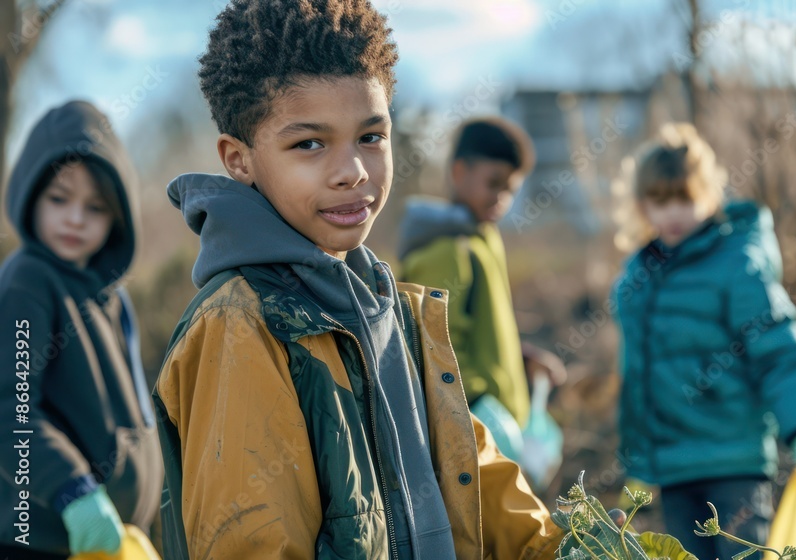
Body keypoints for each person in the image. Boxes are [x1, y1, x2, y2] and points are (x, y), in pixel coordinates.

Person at [153, 2, 561, 558]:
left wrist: (562, 549)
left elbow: (471, 475)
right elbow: (252, 541)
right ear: (239, 159)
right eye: (310, 144)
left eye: (371, 136)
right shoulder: (240, 325)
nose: (354, 171)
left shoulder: (391, 307)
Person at [612, 123, 796, 559]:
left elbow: (779, 348)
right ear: (641, 206)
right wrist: (638, 462)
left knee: (744, 553)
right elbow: (637, 376)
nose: (673, 213)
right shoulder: (641, 278)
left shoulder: (737, 265)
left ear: (710, 195)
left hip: (735, 459)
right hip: (673, 467)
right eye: (660, 201)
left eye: (685, 199)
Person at [0, 101, 162, 559]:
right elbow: (8, 406)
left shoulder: (111, 295)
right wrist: (72, 492)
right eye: (59, 198)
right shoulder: (28, 281)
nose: (75, 218)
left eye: (95, 207)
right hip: (41, 543)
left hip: (115, 543)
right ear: (30, 196)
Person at [397, 117, 566, 438]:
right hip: (473, 436)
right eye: (493, 183)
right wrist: (482, 411)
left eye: (510, 190)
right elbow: (434, 350)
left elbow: (482, 331)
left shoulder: (484, 239)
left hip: (502, 432)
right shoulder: (445, 251)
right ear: (460, 172)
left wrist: (523, 358)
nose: (500, 198)